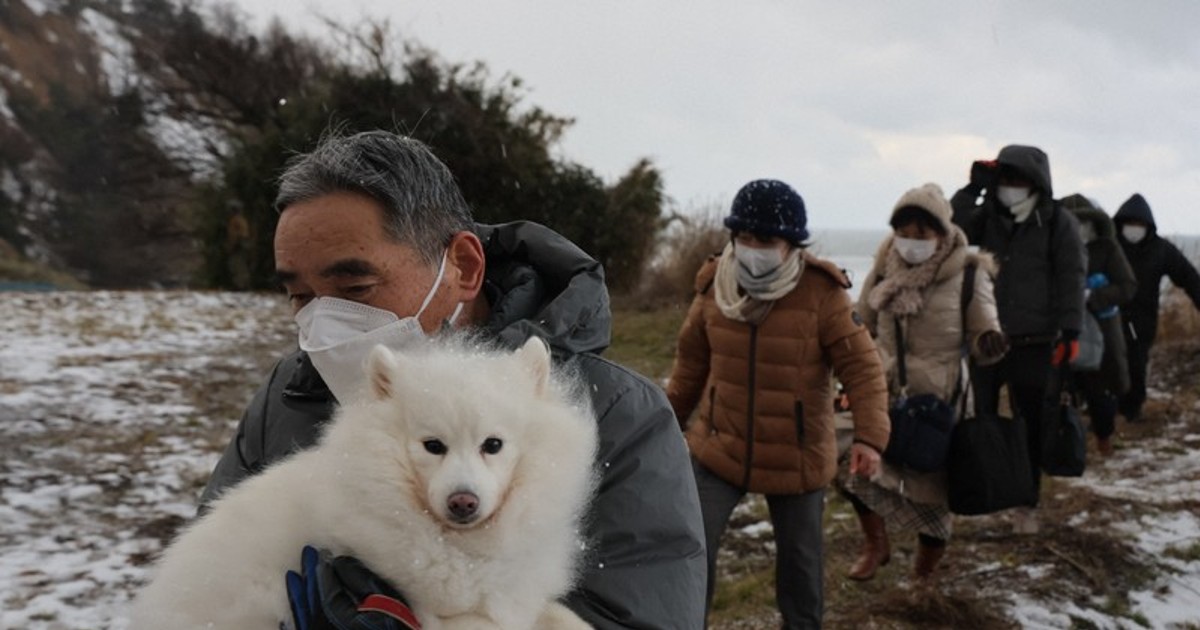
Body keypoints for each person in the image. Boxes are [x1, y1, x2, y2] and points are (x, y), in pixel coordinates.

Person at [198, 130, 708, 629]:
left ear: (463, 266)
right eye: (300, 297)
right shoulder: (292, 391)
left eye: (354, 286)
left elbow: (643, 614)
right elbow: (207, 572)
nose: (322, 325)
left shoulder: (619, 415)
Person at [666, 179, 890, 629]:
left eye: (765, 240)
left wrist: (869, 438)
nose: (752, 249)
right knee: (689, 552)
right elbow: (690, 366)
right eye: (743, 237)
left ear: (791, 244)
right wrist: (662, 424)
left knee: (801, 569)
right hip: (718, 446)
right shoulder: (715, 286)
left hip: (798, 455)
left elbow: (863, 369)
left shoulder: (822, 294)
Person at [841, 183, 1006, 583]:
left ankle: (923, 575)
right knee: (848, 460)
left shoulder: (968, 274)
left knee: (934, 497)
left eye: (922, 235)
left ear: (942, 234)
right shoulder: (884, 266)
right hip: (882, 391)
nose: (911, 243)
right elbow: (862, 320)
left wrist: (990, 343)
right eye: (904, 234)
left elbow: (985, 333)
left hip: (939, 401)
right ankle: (874, 543)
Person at [949, 145, 1086, 534]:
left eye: (1018, 179)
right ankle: (988, 492)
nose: (1010, 187)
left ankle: (1026, 501)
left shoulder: (1059, 222)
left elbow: (1071, 277)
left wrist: (1071, 330)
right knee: (982, 421)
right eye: (1004, 179)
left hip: (1037, 341)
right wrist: (973, 186)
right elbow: (952, 225)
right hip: (987, 338)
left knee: (1031, 424)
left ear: (1037, 183)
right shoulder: (987, 216)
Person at [1111, 193, 1200, 423]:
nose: (1133, 228)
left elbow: (1188, 277)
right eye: (1129, 223)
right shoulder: (1108, 246)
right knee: (1106, 366)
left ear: (1148, 226)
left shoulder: (1160, 249)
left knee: (1136, 365)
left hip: (1141, 321)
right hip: (1109, 317)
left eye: (1138, 224)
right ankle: (1104, 411)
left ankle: (1131, 411)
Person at [1061, 194, 1137, 455]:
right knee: (1064, 387)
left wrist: (1095, 296)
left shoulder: (1107, 249)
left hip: (1102, 330)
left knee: (1101, 390)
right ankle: (1067, 444)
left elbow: (1127, 286)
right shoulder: (1056, 249)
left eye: (1081, 221)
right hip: (1063, 328)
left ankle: (1104, 437)